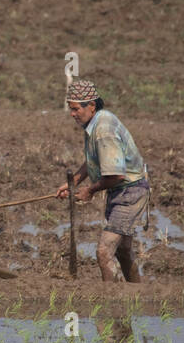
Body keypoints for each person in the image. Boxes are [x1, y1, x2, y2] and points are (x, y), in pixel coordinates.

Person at [55, 79, 149, 282]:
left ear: (91, 105)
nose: (72, 114)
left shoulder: (103, 130)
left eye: (76, 109)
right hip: (123, 190)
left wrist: (90, 191)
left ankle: (111, 302)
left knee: (104, 251)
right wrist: (74, 183)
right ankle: (138, 294)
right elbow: (94, 160)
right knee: (123, 250)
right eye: (70, 109)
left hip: (129, 192)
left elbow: (116, 175)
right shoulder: (94, 123)